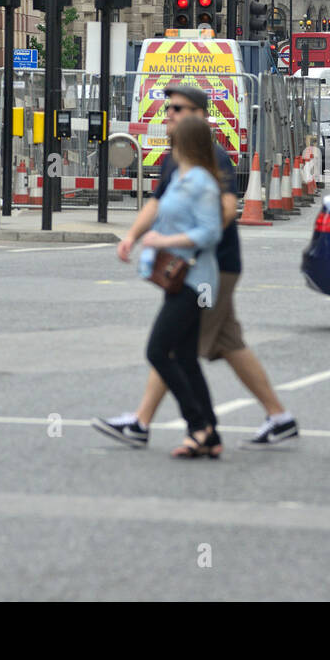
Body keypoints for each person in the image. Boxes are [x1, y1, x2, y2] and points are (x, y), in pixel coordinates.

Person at [92, 85, 300, 450]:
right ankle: (275, 417)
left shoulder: (212, 158)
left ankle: (161, 423)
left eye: (179, 108)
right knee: (218, 342)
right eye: (168, 107)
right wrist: (132, 236)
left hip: (212, 266)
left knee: (172, 346)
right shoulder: (174, 158)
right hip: (193, 266)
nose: (170, 113)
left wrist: (187, 246)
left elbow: (222, 211)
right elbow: (156, 205)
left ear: (200, 116)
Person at [113, 115, 225, 458]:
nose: (168, 138)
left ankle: (198, 426)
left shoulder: (203, 183)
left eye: (174, 136)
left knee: (158, 351)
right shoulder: (180, 177)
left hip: (197, 282)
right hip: (181, 280)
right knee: (187, 359)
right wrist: (137, 237)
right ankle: (210, 434)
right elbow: (160, 209)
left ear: (187, 143)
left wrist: (163, 238)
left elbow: (210, 232)